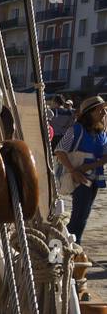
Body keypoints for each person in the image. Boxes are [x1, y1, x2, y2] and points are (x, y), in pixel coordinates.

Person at [55, 95, 107, 243]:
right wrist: (73, 170)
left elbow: (105, 157)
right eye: (100, 110)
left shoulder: (101, 133)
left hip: (95, 178)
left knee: (84, 214)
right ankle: (68, 245)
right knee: (79, 214)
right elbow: (60, 151)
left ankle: (74, 245)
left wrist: (88, 166)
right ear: (89, 113)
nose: (104, 113)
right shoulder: (76, 130)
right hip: (80, 178)